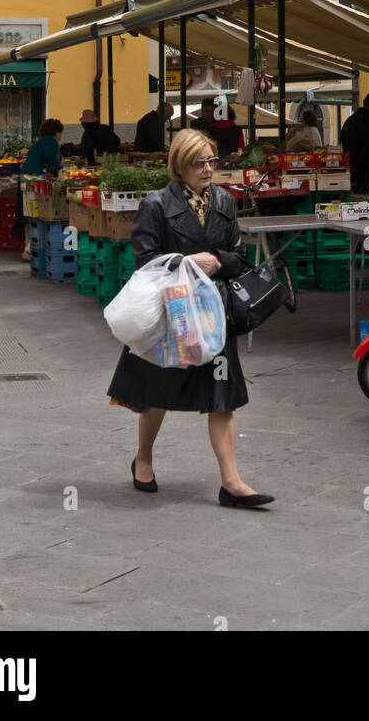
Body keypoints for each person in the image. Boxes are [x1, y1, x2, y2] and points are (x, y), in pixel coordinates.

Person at [106, 128, 273, 508]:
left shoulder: (225, 203)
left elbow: (236, 253)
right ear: (179, 166)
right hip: (171, 314)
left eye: (212, 161)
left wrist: (218, 262)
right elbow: (144, 262)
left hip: (213, 313)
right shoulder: (156, 205)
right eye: (199, 162)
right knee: (155, 394)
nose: (208, 169)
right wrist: (184, 262)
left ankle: (231, 482)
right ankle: (143, 458)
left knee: (221, 395)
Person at [16, 119, 65, 252]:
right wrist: (60, 169)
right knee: (35, 211)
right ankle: (33, 245)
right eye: (60, 133)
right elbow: (49, 157)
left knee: (28, 212)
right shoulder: (50, 140)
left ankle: (28, 245)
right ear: (56, 132)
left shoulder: (41, 141)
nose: (60, 136)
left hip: (26, 178)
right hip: (34, 178)